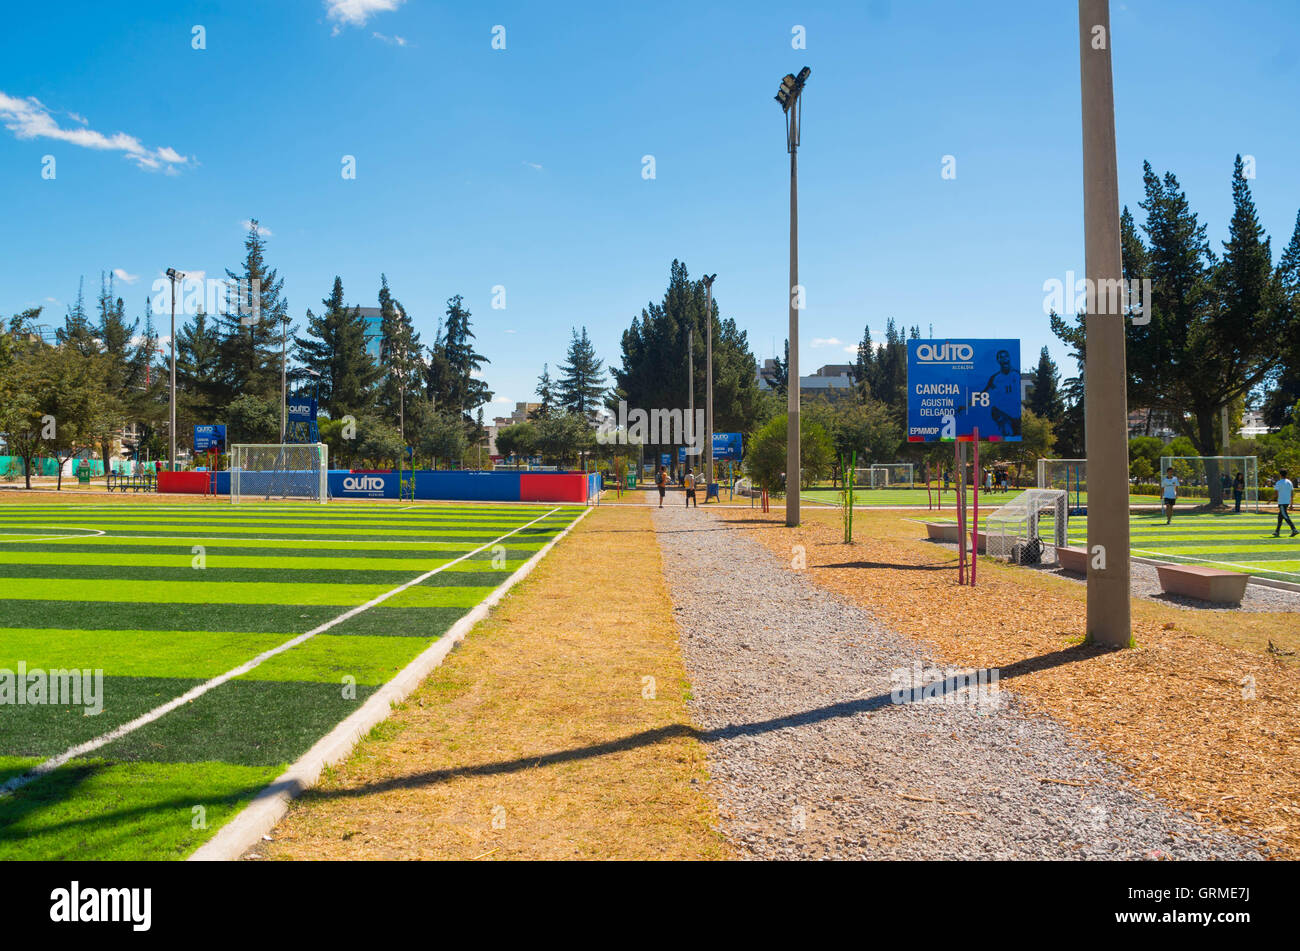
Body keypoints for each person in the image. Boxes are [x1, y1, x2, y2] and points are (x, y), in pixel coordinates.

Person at [1272, 470, 1297, 538]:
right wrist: (1291, 504)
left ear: (1280, 475)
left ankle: (1294, 529)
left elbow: (1276, 493)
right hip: (1287, 502)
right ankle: (1277, 531)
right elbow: (1292, 493)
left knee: (1285, 516)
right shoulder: (1289, 482)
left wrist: (1270, 500)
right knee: (1280, 517)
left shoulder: (1279, 482)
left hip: (1282, 502)